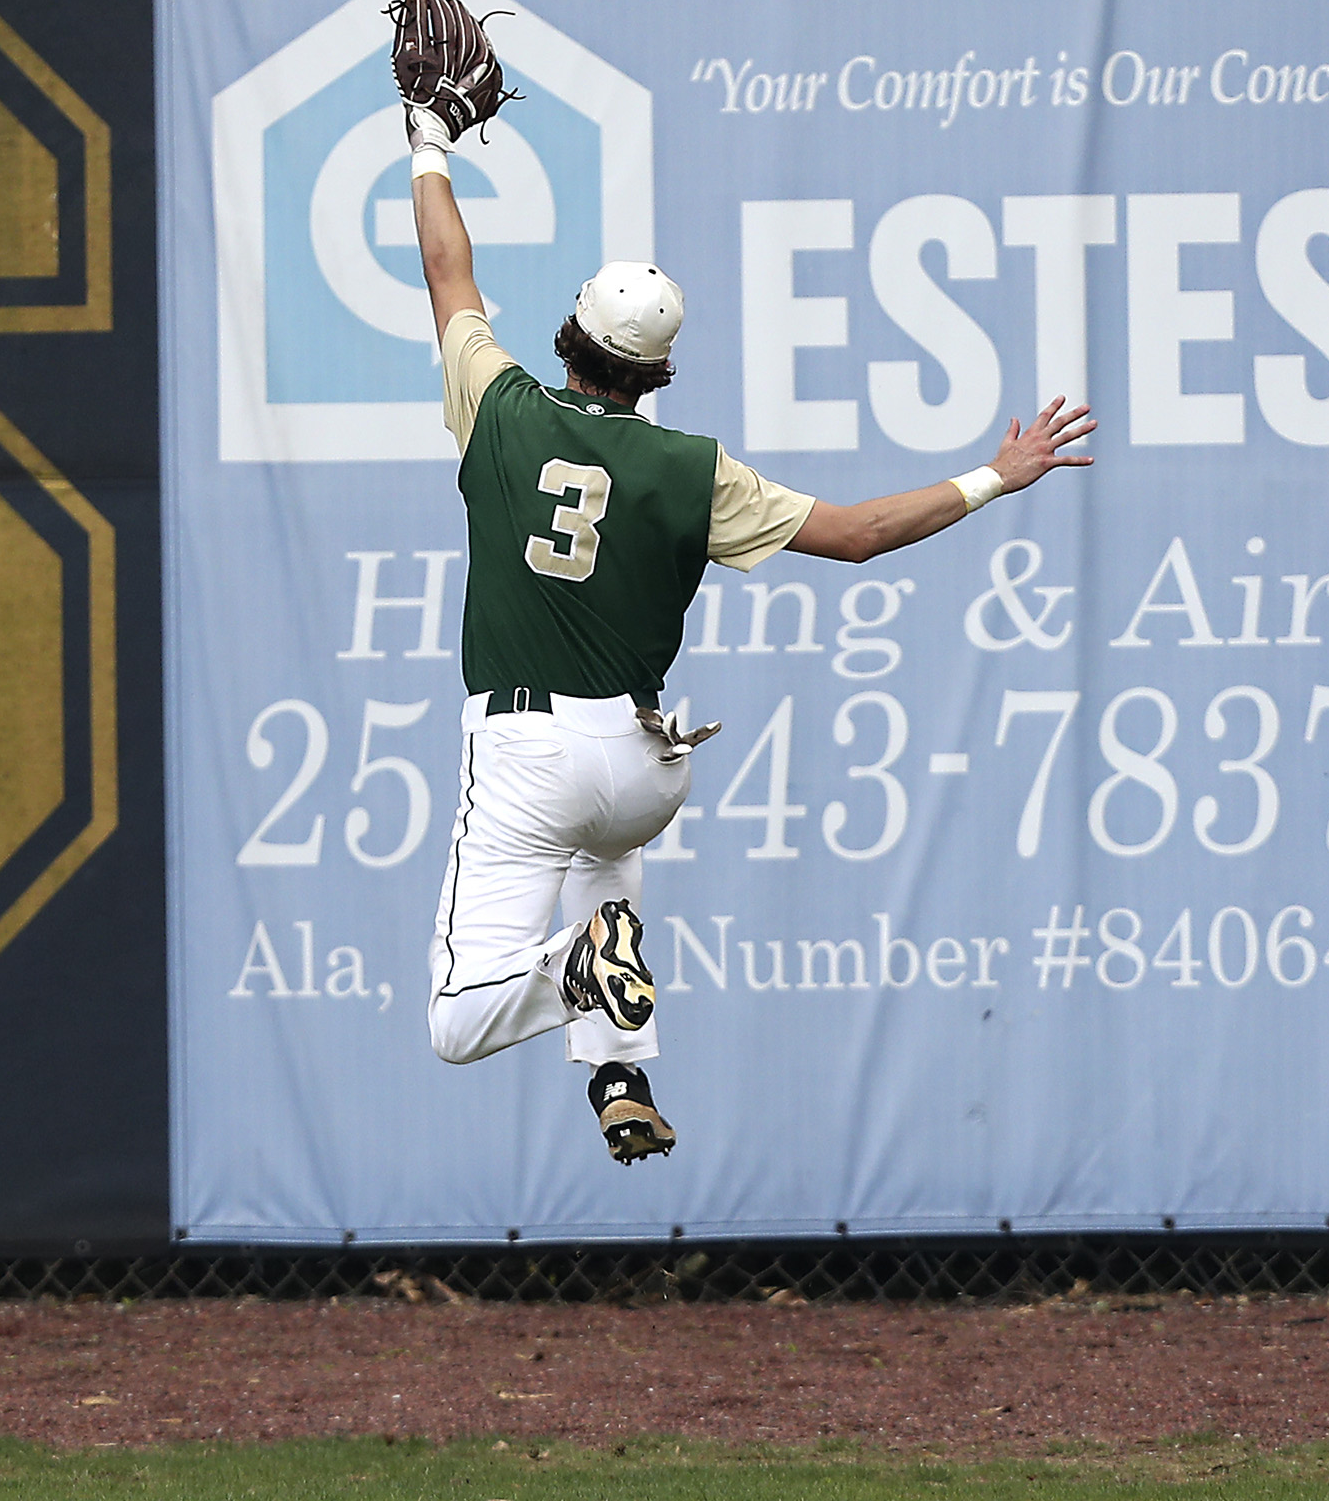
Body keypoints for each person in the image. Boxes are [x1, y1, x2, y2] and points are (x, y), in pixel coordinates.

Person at [403, 57, 1096, 1166]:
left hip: (527, 748)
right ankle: (621, 1071)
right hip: (640, 762)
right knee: (604, 885)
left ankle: (577, 979)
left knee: (458, 1018)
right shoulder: (693, 468)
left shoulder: (499, 404)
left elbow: (448, 268)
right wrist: (994, 476)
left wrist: (430, 140)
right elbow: (861, 532)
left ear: (568, 337)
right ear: (658, 371)